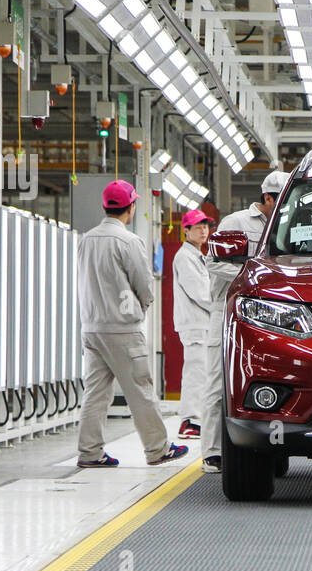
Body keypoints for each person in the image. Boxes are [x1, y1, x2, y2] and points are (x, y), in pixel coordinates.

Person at [76, 180, 187, 468]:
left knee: (96, 393)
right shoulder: (129, 241)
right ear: (131, 208)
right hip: (123, 328)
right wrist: (140, 310)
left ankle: (89, 452)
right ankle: (158, 449)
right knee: (140, 389)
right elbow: (144, 285)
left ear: (105, 206)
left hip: (92, 327)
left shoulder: (86, 239)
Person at [198, 219, 243, 474]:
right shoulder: (236, 222)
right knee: (216, 382)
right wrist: (252, 271)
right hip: (224, 308)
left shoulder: (284, 220)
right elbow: (212, 263)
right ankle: (212, 452)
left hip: (264, 308)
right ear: (268, 197)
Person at [172, 210, 214, 440]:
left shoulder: (198, 256)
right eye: (197, 226)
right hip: (196, 324)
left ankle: (197, 419)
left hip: (202, 324)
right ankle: (190, 421)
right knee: (196, 373)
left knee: (202, 371)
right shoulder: (185, 257)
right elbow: (201, 294)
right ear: (186, 230)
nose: (203, 230)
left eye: (205, 226)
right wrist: (221, 305)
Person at [219, 169, 287, 251]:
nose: (288, 207)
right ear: (267, 198)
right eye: (285, 202)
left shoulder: (290, 224)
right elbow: (215, 262)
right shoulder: (235, 222)